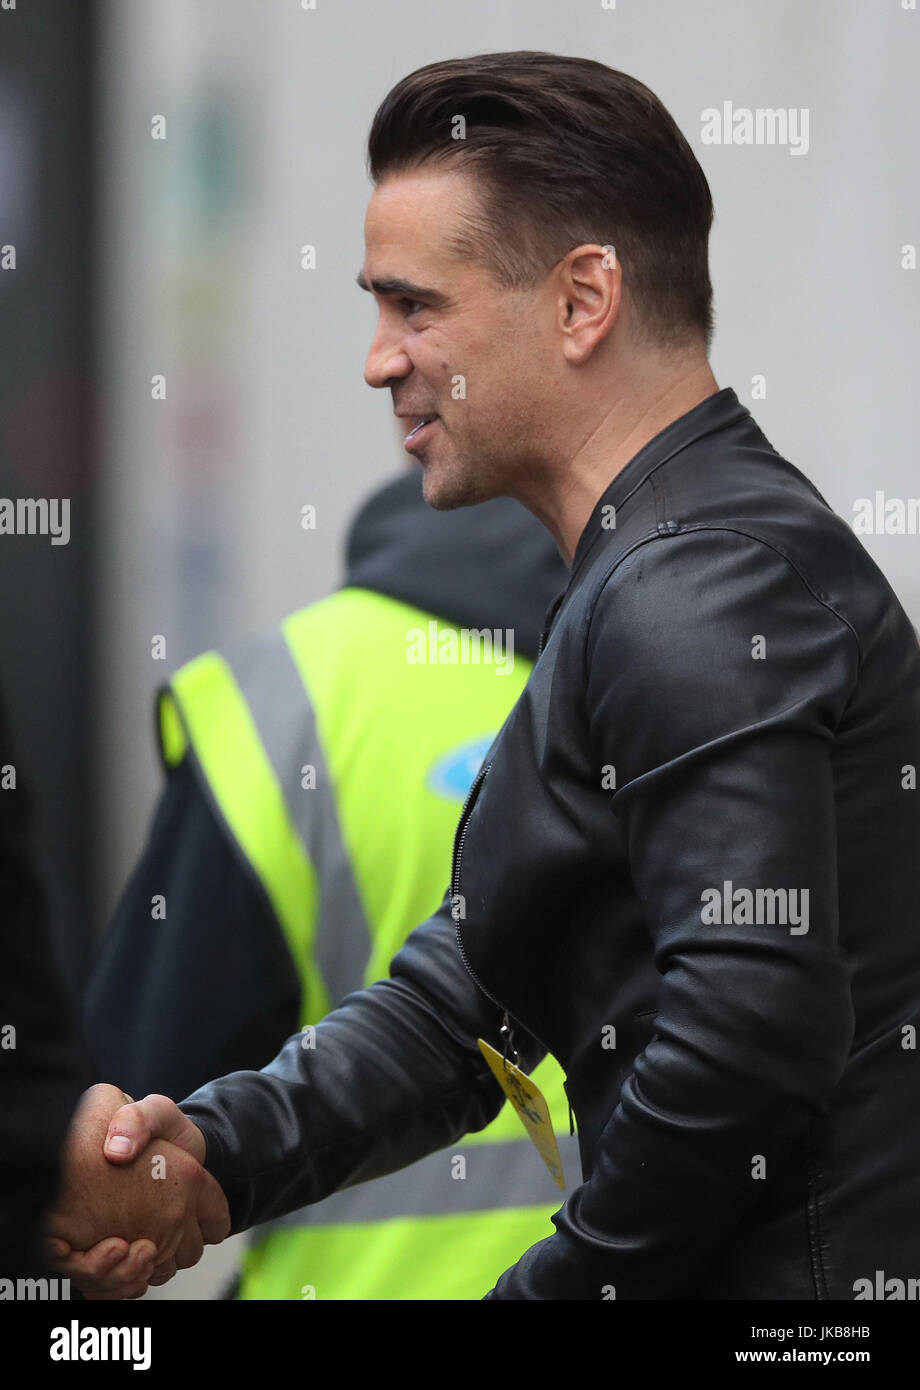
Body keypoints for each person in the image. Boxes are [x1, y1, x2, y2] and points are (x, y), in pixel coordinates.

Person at [49, 51, 920, 1300]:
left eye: (415, 307)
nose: (376, 359)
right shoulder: (640, 572)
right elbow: (469, 994)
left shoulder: (695, 584)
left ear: (581, 301)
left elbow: (749, 1036)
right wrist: (210, 1154)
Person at [83, 465, 572, 1299]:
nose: (384, 362)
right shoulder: (696, 669)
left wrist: (100, 1200)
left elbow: (127, 1096)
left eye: (414, 322)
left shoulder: (285, 704)